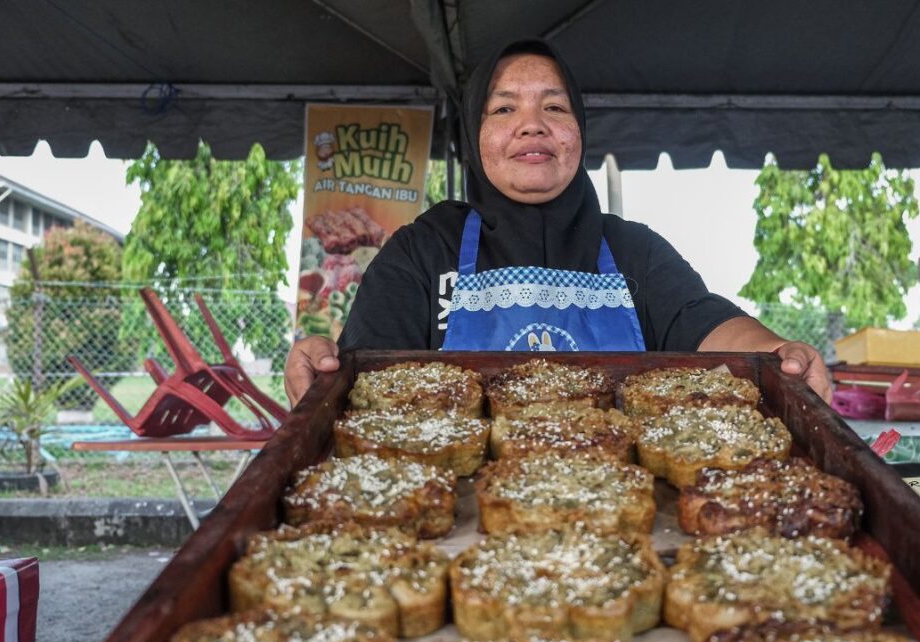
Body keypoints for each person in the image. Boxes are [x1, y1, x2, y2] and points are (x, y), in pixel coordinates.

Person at [285, 38, 831, 407]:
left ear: (579, 131)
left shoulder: (633, 249)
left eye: (554, 107)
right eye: (503, 110)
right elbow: (364, 367)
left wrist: (780, 353)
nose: (531, 127)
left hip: (617, 504)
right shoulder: (421, 250)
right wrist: (320, 358)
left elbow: (707, 325)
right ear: (474, 139)